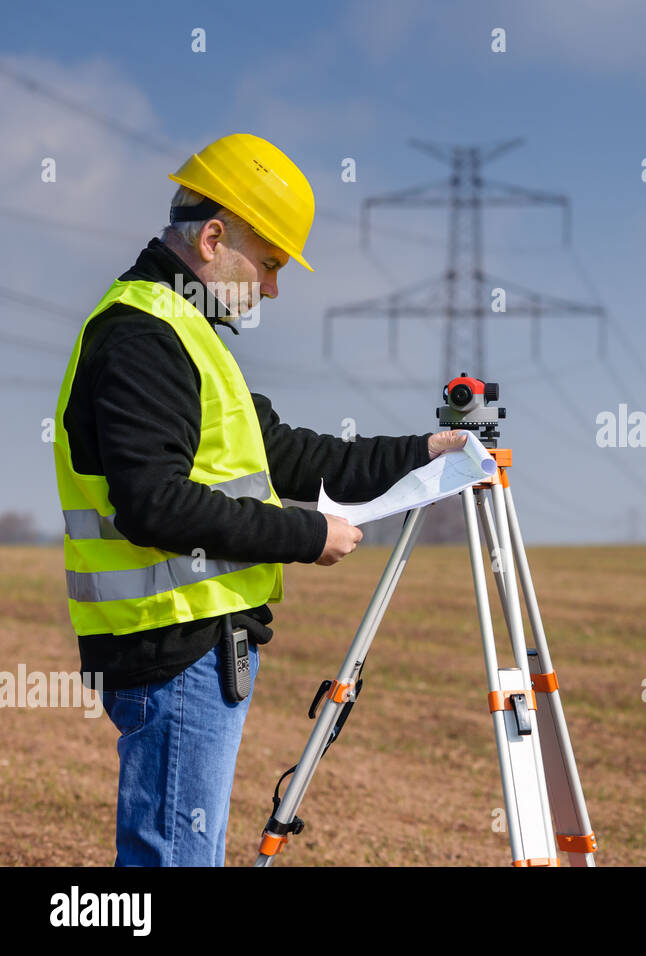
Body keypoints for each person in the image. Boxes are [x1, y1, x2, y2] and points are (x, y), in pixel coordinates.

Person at [52, 133, 467, 866]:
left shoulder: (187, 334)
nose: (274, 287)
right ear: (213, 238)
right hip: (173, 644)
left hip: (193, 645)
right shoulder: (143, 336)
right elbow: (155, 505)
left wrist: (423, 452)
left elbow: (295, 456)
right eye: (270, 263)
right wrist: (306, 536)